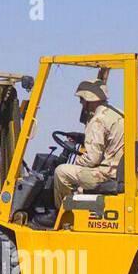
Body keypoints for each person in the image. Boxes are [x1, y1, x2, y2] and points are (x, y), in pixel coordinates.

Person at [53, 79, 125, 207]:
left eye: (81, 99)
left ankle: (61, 213)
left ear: (87, 99)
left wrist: (76, 163)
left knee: (61, 171)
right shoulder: (119, 114)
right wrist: (82, 138)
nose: (81, 103)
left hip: (106, 175)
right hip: (120, 171)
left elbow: (92, 159)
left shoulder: (97, 120)